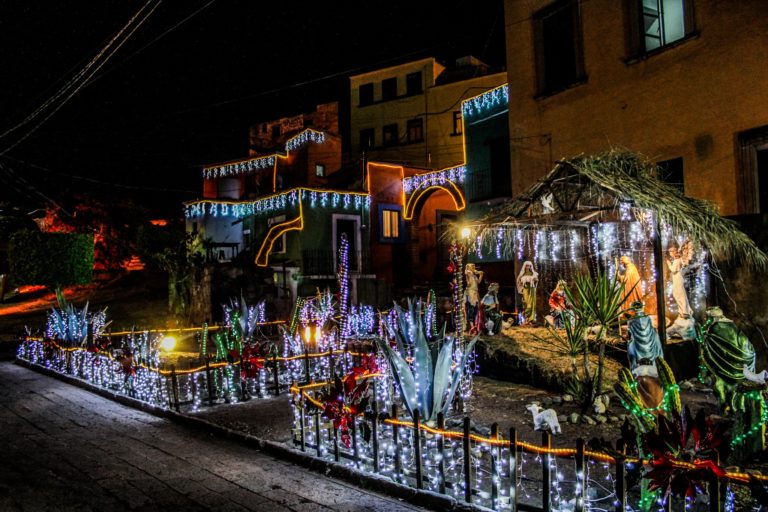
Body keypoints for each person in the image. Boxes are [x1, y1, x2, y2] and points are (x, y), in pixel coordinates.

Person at [626, 301, 663, 370]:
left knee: (630, 347)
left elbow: (629, 333)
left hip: (637, 345)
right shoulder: (647, 317)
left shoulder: (631, 320)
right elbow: (651, 329)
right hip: (650, 343)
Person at [667, 245, 693, 318]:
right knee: (679, 294)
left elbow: (673, 270)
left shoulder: (676, 260)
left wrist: (669, 264)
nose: (670, 254)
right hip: (677, 278)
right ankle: (684, 310)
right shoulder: (677, 260)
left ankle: (684, 311)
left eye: (670, 252)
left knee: (679, 294)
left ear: (673, 252)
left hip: (678, 278)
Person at [464, 263, 483, 331]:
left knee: (476, 309)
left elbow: (478, 282)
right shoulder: (468, 272)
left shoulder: (474, 276)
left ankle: (475, 325)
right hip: (470, 292)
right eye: (472, 267)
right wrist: (477, 272)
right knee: (471, 309)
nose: (474, 268)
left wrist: (481, 275)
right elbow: (469, 273)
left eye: (474, 267)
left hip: (475, 293)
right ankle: (472, 325)